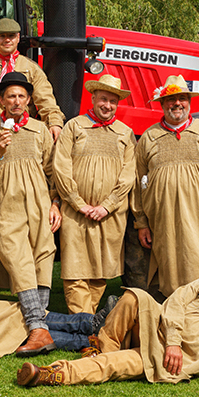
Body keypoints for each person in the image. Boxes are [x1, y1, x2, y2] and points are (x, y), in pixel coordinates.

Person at [17, 262, 199, 387]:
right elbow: (174, 305)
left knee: (113, 365)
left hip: (168, 360)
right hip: (158, 330)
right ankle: (102, 347)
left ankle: (49, 374)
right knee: (134, 296)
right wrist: (172, 340)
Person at [0, 71, 62, 356]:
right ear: (0, 100)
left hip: (38, 203)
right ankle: (38, 327)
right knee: (18, 258)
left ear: (28, 100)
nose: (16, 101)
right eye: (10, 96)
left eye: (21, 96)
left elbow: (52, 172)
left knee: (43, 255)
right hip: (4, 202)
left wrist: (55, 203)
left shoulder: (39, 130)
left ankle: (40, 328)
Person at [132, 75, 199, 298]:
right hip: (163, 222)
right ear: (162, 103)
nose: (177, 103)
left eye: (182, 98)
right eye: (171, 99)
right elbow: (138, 182)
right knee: (168, 274)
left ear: (189, 102)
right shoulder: (150, 137)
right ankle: (170, 321)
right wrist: (141, 223)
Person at [52, 74, 136, 314]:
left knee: (101, 269)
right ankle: (82, 320)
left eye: (112, 101)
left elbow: (128, 174)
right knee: (75, 267)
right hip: (76, 211)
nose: (107, 105)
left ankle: (85, 321)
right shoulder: (74, 126)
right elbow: (61, 167)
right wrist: (78, 203)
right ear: (93, 98)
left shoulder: (125, 133)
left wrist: (107, 206)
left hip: (110, 215)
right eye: (103, 99)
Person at [0, 18, 64, 141]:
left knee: (49, 137)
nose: (7, 40)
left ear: (18, 38)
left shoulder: (31, 68)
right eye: (2, 36)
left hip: (21, 122)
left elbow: (46, 100)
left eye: (11, 36)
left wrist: (54, 122)